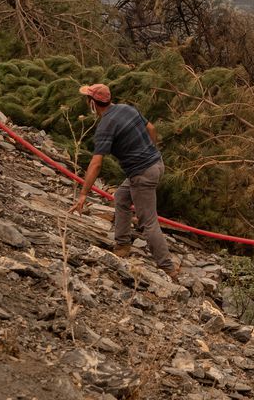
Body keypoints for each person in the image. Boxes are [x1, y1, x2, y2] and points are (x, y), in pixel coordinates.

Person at [68, 83, 179, 281]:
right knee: (121, 196)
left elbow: (96, 164)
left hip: (142, 173)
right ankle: (122, 244)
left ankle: (168, 268)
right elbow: (151, 129)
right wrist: (149, 151)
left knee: (148, 221)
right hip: (156, 163)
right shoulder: (126, 108)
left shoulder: (105, 126)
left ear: (92, 103)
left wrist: (83, 194)